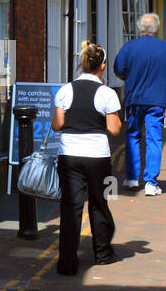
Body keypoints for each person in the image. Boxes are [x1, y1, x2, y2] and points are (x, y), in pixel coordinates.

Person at [50, 41, 122, 275]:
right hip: (96, 156)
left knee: (71, 207)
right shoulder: (106, 93)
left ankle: (67, 264)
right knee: (99, 204)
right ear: (102, 66)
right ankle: (102, 254)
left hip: (69, 154)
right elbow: (114, 129)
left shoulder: (65, 90)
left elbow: (57, 125)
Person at [113, 12, 166, 195]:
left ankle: (131, 178)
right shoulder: (165, 48)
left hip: (134, 99)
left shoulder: (129, 47)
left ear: (139, 28)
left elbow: (118, 70)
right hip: (157, 101)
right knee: (154, 139)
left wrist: (130, 79)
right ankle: (151, 183)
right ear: (156, 28)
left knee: (132, 136)